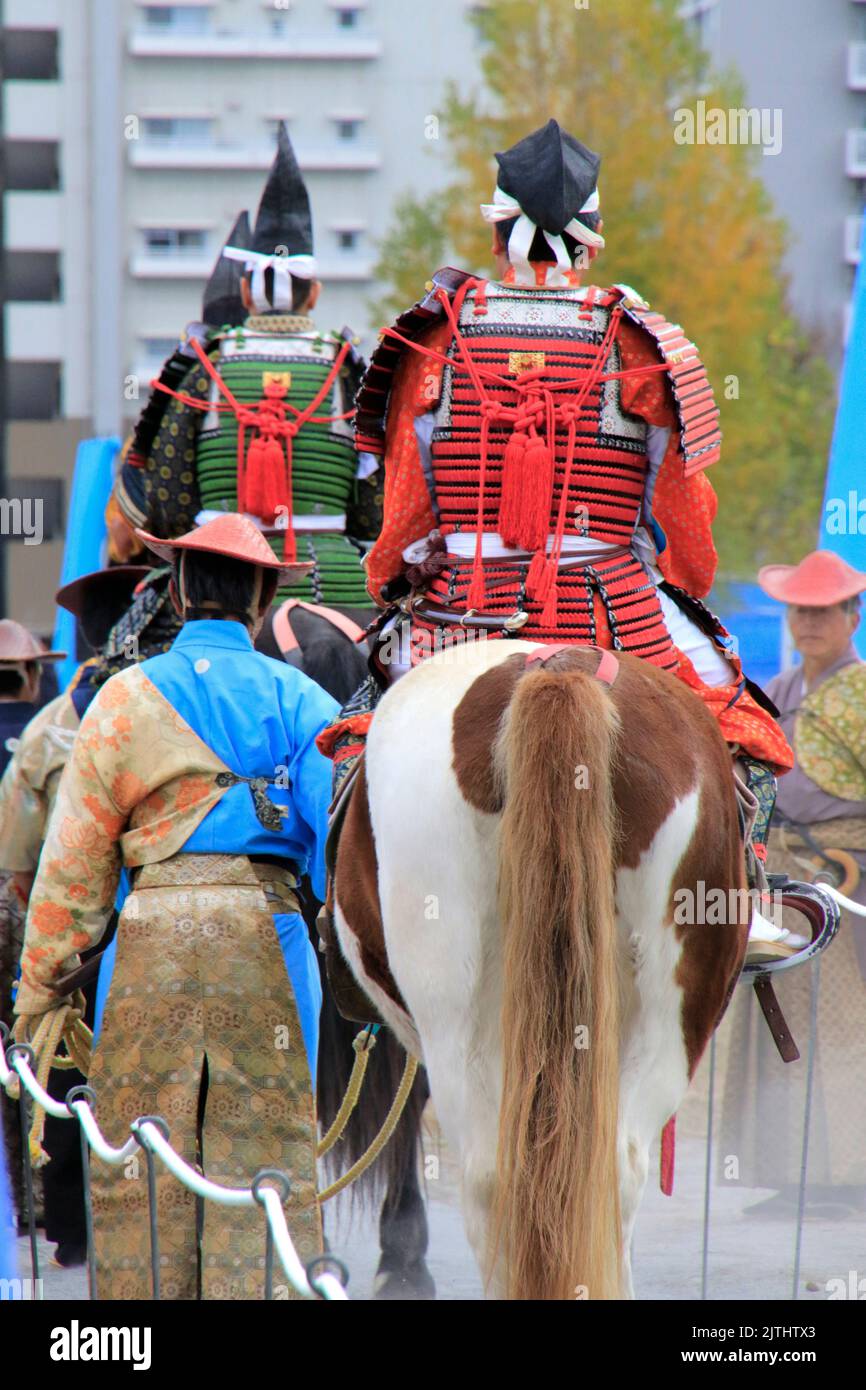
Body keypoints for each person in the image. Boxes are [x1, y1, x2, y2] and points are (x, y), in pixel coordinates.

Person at [330, 118, 825, 955]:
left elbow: (402, 525)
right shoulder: (642, 344)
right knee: (739, 722)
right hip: (613, 613)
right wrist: (677, 581)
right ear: (590, 241)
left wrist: (397, 580)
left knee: (355, 736)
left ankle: (333, 907)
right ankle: (746, 900)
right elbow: (690, 530)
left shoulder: (431, 340)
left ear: (497, 231)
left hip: (461, 615)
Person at [12, 514, 337, 1299]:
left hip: (148, 947)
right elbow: (336, 852)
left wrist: (39, 993)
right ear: (262, 600)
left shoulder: (119, 702)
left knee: (144, 1167)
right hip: (274, 936)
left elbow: (72, 871)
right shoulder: (306, 700)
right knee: (265, 1165)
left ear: (179, 589)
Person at [0, 564, 179, 1264]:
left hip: (79, 930)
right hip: (161, 915)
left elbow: (18, 858)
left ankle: (74, 1230)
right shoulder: (165, 704)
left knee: (68, 1075)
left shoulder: (53, 727)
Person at [133, 123, 379, 619]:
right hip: (333, 585)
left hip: (221, 585)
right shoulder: (348, 368)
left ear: (246, 295)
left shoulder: (206, 363)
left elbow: (167, 494)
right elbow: (376, 502)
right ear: (315, 293)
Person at [720, 551, 866, 1215]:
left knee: (842, 1023)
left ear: (851, 617)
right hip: (780, 873)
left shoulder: (860, 695)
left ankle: (848, 1178)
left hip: (848, 875)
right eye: (799, 610)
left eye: (823, 610)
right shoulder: (772, 694)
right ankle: (790, 1172)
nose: (809, 621)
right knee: (777, 1015)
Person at [0, 620, 65, 1230]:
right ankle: (41, 1204)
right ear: (32, 673)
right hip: (28, 904)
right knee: (37, 1055)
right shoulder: (50, 731)